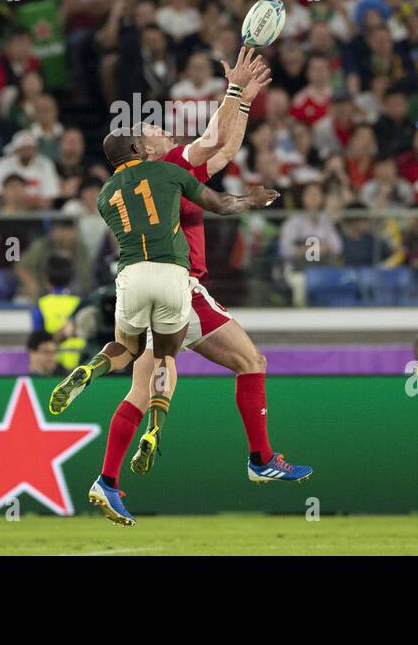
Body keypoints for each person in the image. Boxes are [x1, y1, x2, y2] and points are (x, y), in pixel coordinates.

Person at [50, 87, 282, 524]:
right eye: (151, 129)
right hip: (181, 285)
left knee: (140, 381)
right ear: (144, 149)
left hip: (134, 281)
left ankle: (108, 479)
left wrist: (244, 104)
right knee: (251, 360)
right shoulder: (171, 167)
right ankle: (260, 458)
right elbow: (216, 138)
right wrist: (237, 91)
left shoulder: (117, 188)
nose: (160, 129)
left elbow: (227, 145)